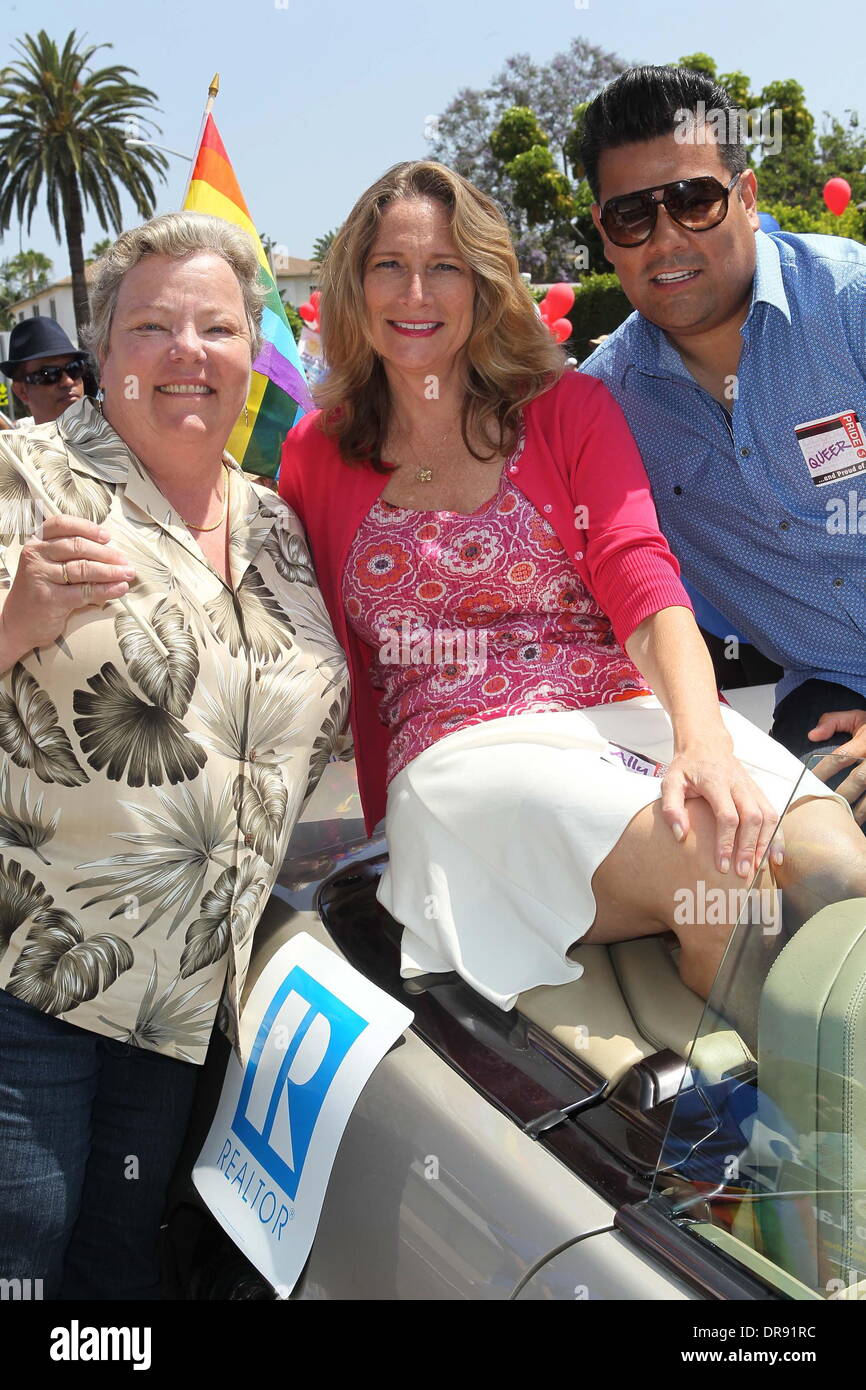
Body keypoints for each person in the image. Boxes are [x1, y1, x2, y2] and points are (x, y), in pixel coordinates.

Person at [279, 159, 859, 1028]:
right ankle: (799, 1138)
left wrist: (702, 745)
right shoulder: (316, 454)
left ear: (484, 283)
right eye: (389, 266)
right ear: (354, 286)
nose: (417, 291)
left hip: (628, 711)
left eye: (445, 267)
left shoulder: (568, 408)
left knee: (839, 875)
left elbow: (640, 577)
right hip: (462, 750)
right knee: (723, 878)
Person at [0, 210, 348, 1300]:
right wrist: (12, 619)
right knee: (22, 1256)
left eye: (217, 327)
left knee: (119, 1276)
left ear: (255, 353)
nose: (186, 353)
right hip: (29, 981)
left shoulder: (282, 522)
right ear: (104, 357)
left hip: (187, 1002)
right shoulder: (29, 475)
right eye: (151, 327)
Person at [579, 65, 866, 778]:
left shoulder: (851, 305)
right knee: (810, 861)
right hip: (831, 697)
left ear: (747, 196)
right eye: (632, 215)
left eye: (693, 199)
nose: (666, 239)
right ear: (604, 235)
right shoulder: (601, 410)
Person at [1, 318, 89, 427]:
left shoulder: (114, 430)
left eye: (74, 368)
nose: (68, 381)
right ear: (21, 390)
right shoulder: (16, 441)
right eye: (49, 373)